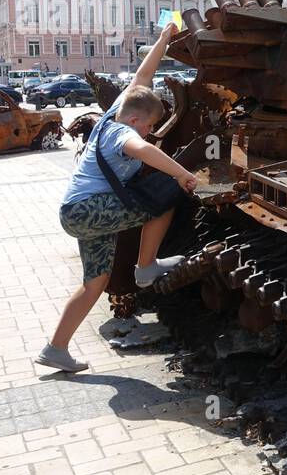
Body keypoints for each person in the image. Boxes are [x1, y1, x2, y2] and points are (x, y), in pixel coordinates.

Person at [37, 22, 197, 374]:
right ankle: (145, 268)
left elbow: (142, 76)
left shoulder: (116, 113)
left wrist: (164, 40)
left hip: (77, 211)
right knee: (166, 195)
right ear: (137, 120)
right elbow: (139, 149)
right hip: (89, 209)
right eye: (150, 125)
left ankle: (55, 349)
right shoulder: (123, 133)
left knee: (94, 283)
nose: (151, 132)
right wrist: (182, 174)